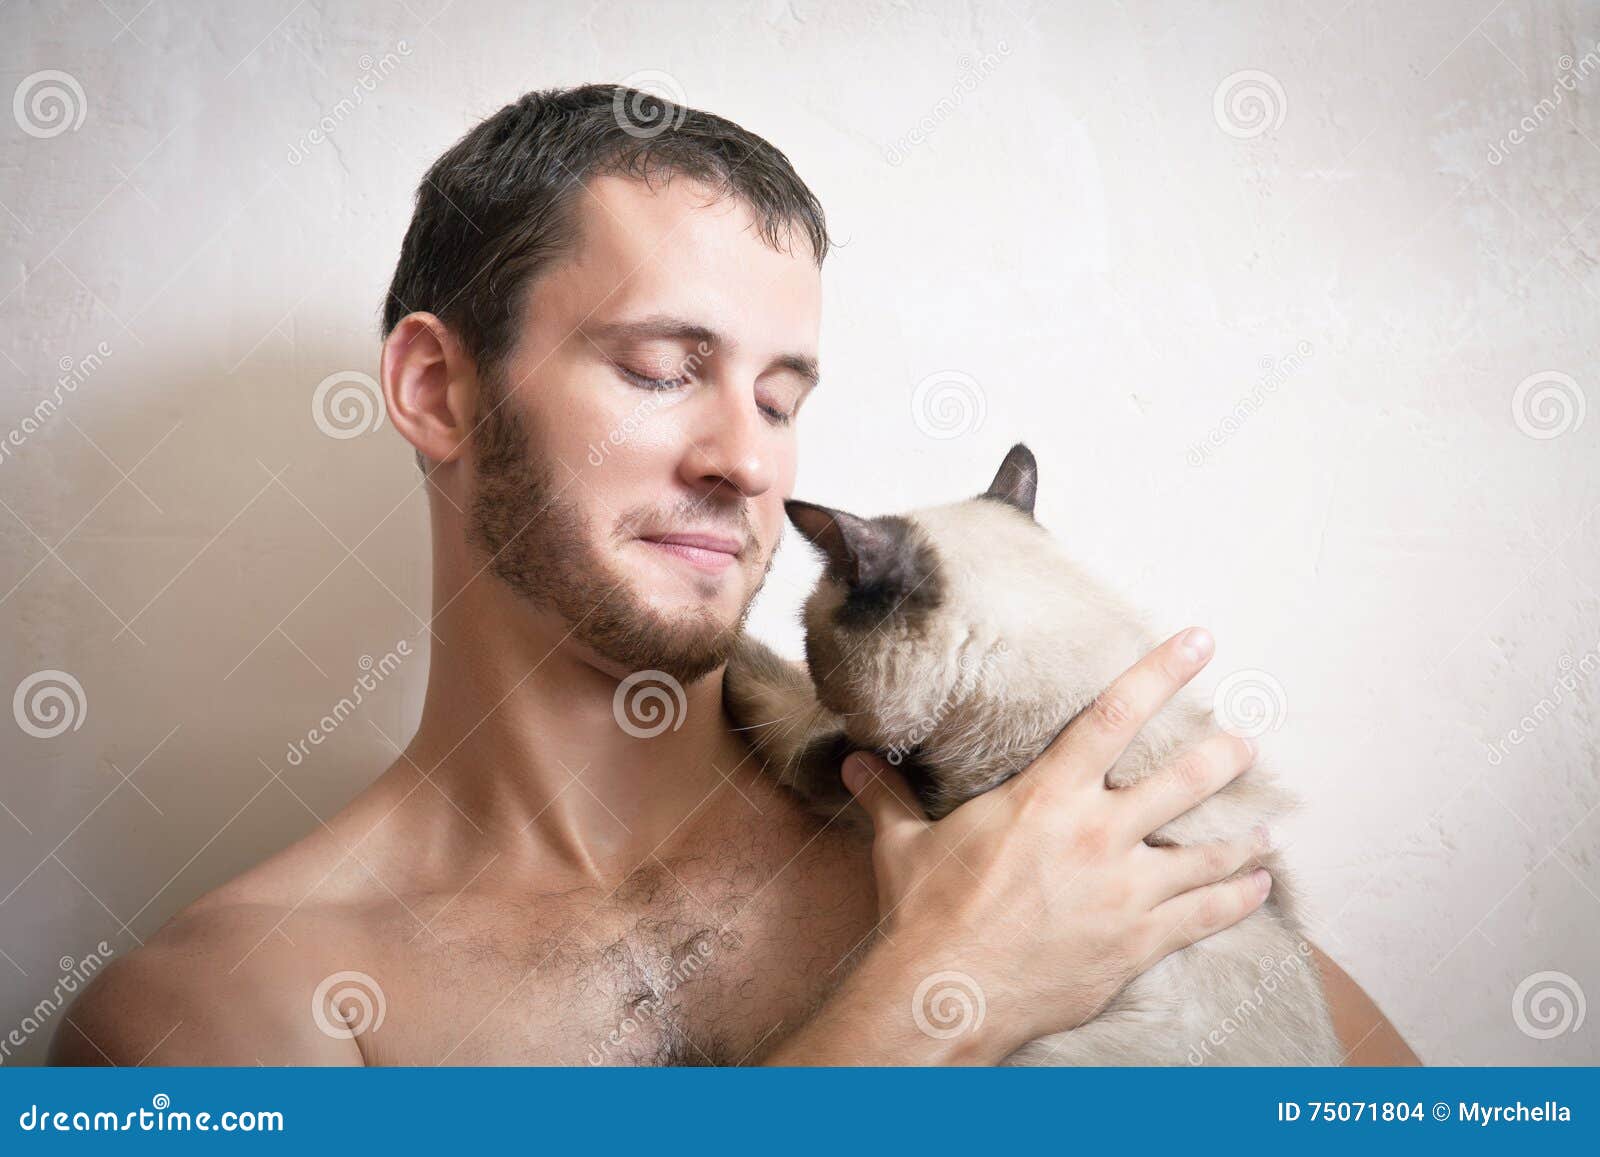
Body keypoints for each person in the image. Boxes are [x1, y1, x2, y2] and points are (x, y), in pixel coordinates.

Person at [50, 85, 1416, 1067]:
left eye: (779, 397)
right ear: (435, 389)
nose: (745, 461)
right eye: (661, 371)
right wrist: (935, 996)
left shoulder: (1030, 842)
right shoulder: (225, 1018)